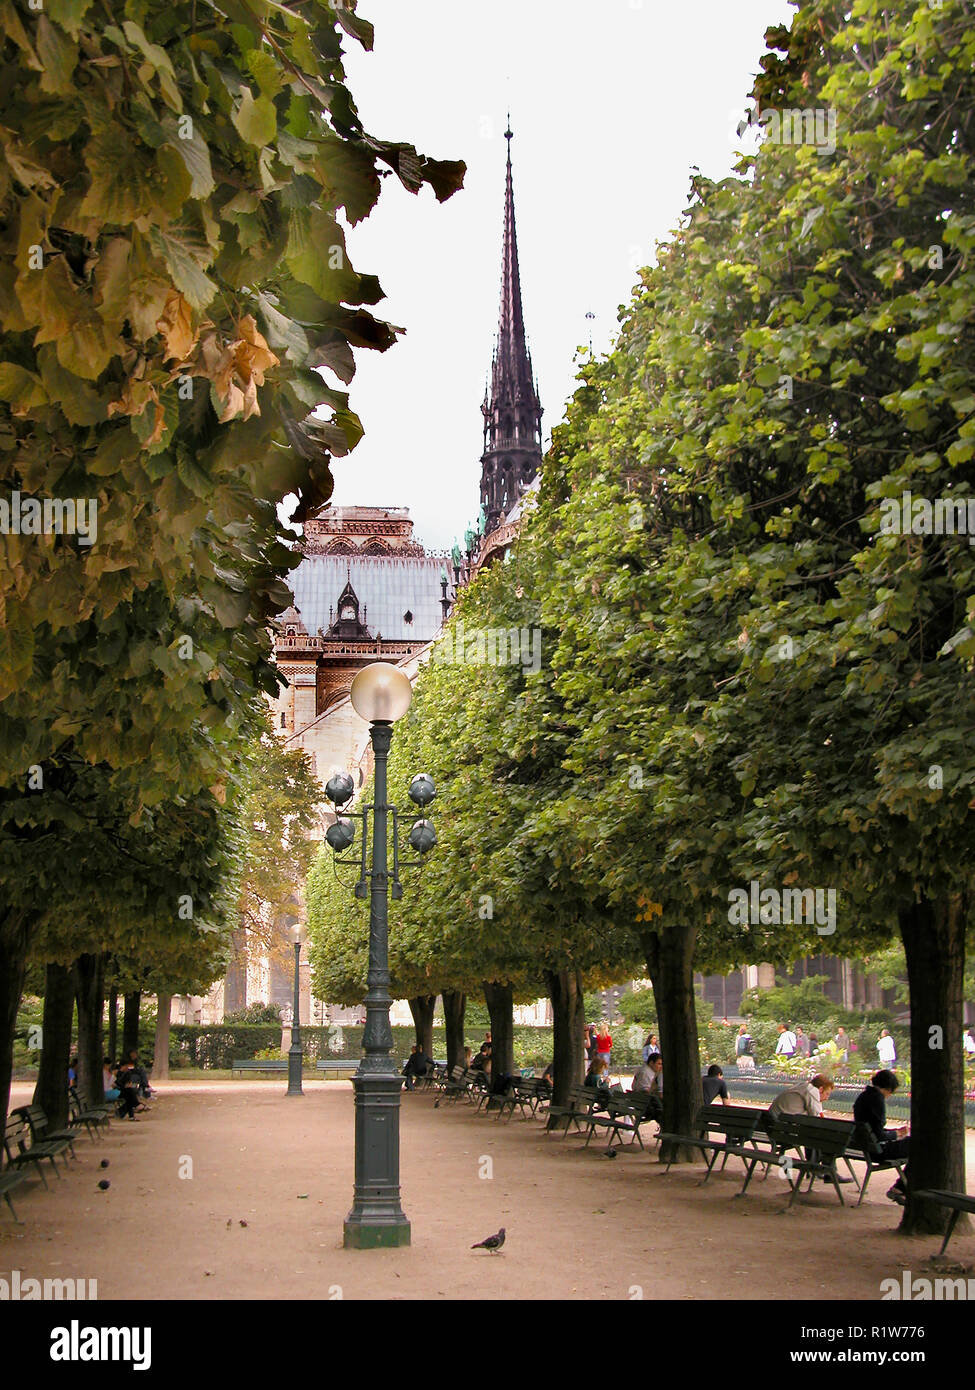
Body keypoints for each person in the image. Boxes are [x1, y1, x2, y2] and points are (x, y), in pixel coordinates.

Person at [852, 1069, 910, 1204]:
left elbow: (873, 1130)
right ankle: (900, 1187)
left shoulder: (864, 1096)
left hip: (866, 1146)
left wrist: (894, 1132)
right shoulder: (877, 1099)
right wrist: (896, 1134)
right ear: (888, 1088)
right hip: (877, 1151)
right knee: (918, 1145)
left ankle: (901, 1187)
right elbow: (878, 1135)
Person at [769, 1073, 834, 1119]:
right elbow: (815, 1116)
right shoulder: (812, 1090)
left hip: (775, 1119)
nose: (827, 1098)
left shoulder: (803, 1086)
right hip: (782, 1124)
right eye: (827, 1094)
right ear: (821, 1089)